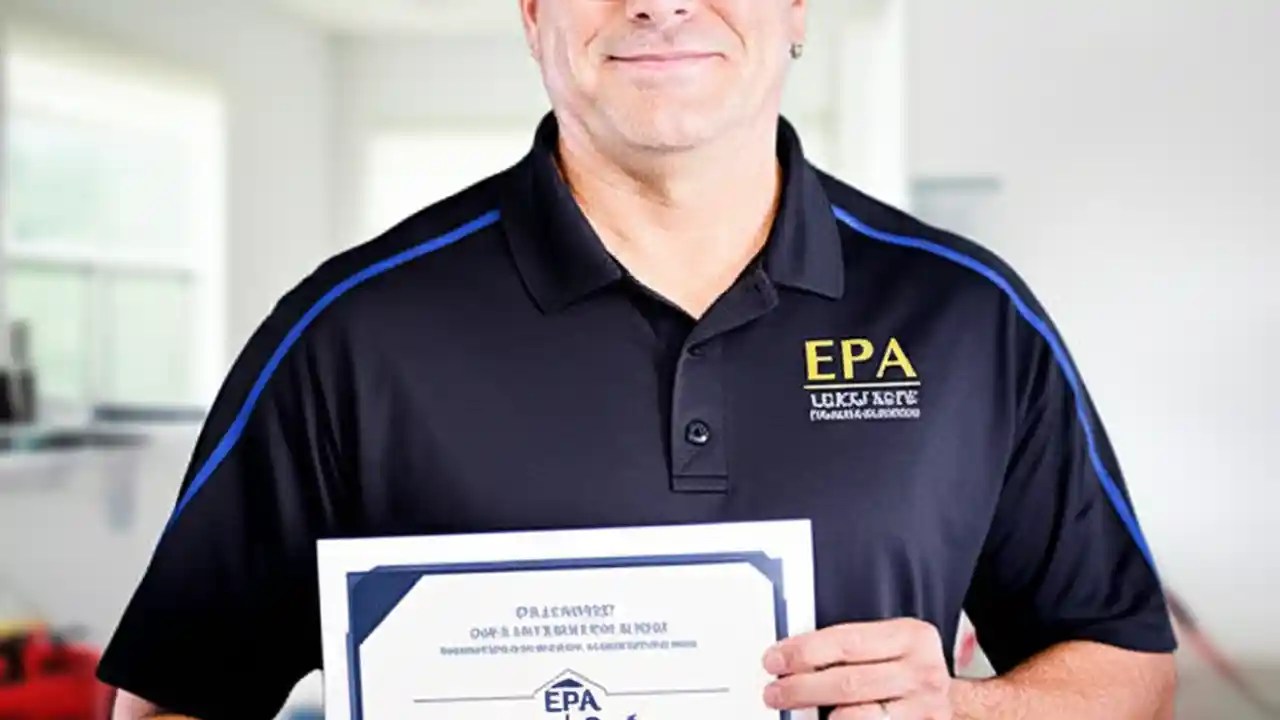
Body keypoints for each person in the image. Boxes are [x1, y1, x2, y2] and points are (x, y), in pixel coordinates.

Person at [100, 1, 1178, 718]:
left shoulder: (967, 313)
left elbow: (1130, 667)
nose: (660, 1)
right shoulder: (347, 330)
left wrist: (966, 707)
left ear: (795, 6)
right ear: (533, 13)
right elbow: (167, 697)